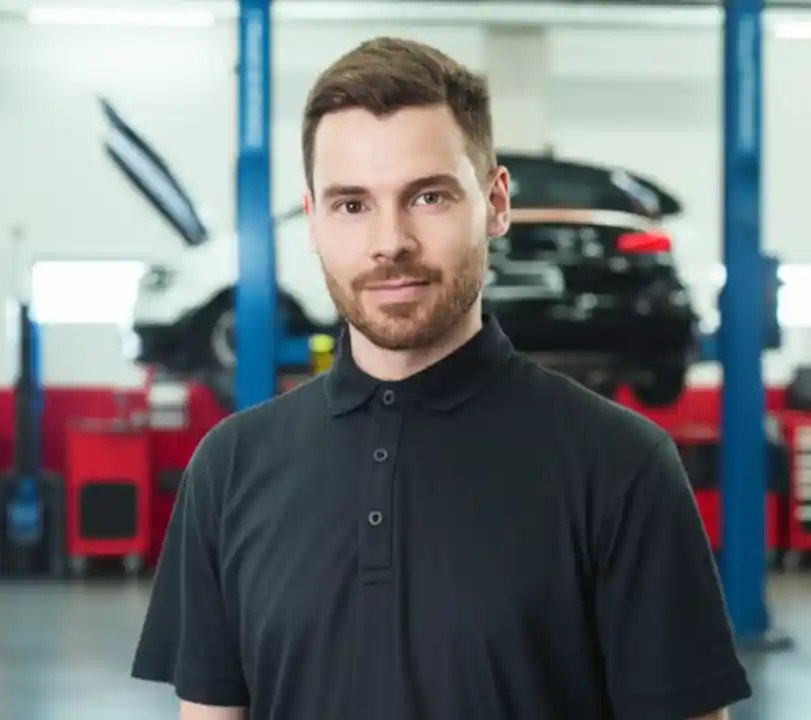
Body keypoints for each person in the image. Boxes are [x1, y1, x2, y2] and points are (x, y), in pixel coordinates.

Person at [131, 36, 752, 720]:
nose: (389, 241)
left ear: (495, 203)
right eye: (351, 204)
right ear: (311, 222)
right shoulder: (230, 468)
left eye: (427, 196)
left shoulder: (622, 467)